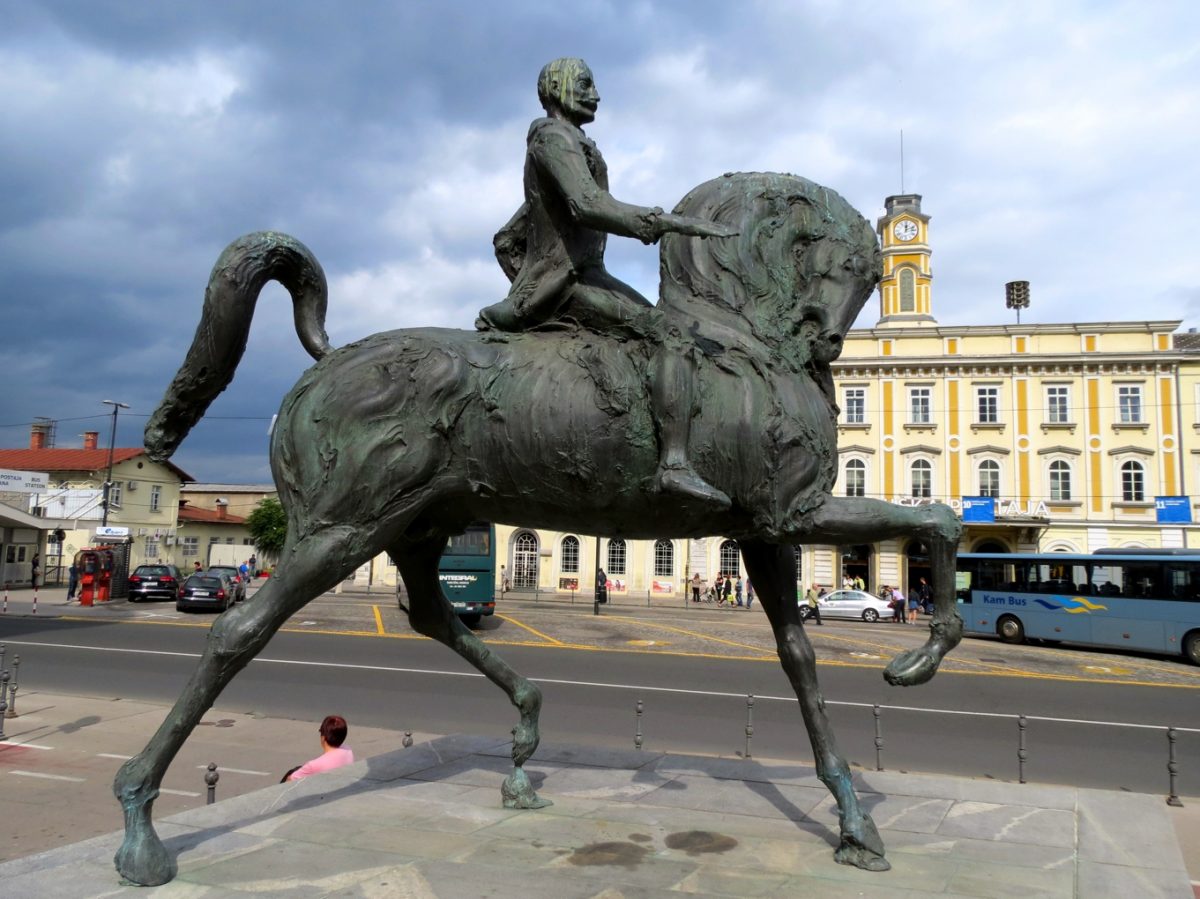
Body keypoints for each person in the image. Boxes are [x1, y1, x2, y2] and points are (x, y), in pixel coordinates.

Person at [475, 57, 736, 510]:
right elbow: (586, 203)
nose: (596, 94)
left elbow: (507, 237)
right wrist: (660, 222)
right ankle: (673, 463)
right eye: (586, 84)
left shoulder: (571, 145)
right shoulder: (553, 137)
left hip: (581, 277)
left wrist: (526, 277)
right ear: (558, 90)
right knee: (670, 333)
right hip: (570, 284)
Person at [283, 715, 354, 782]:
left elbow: (290, 780)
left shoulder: (313, 765)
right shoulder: (348, 750)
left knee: (292, 772)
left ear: (323, 737)